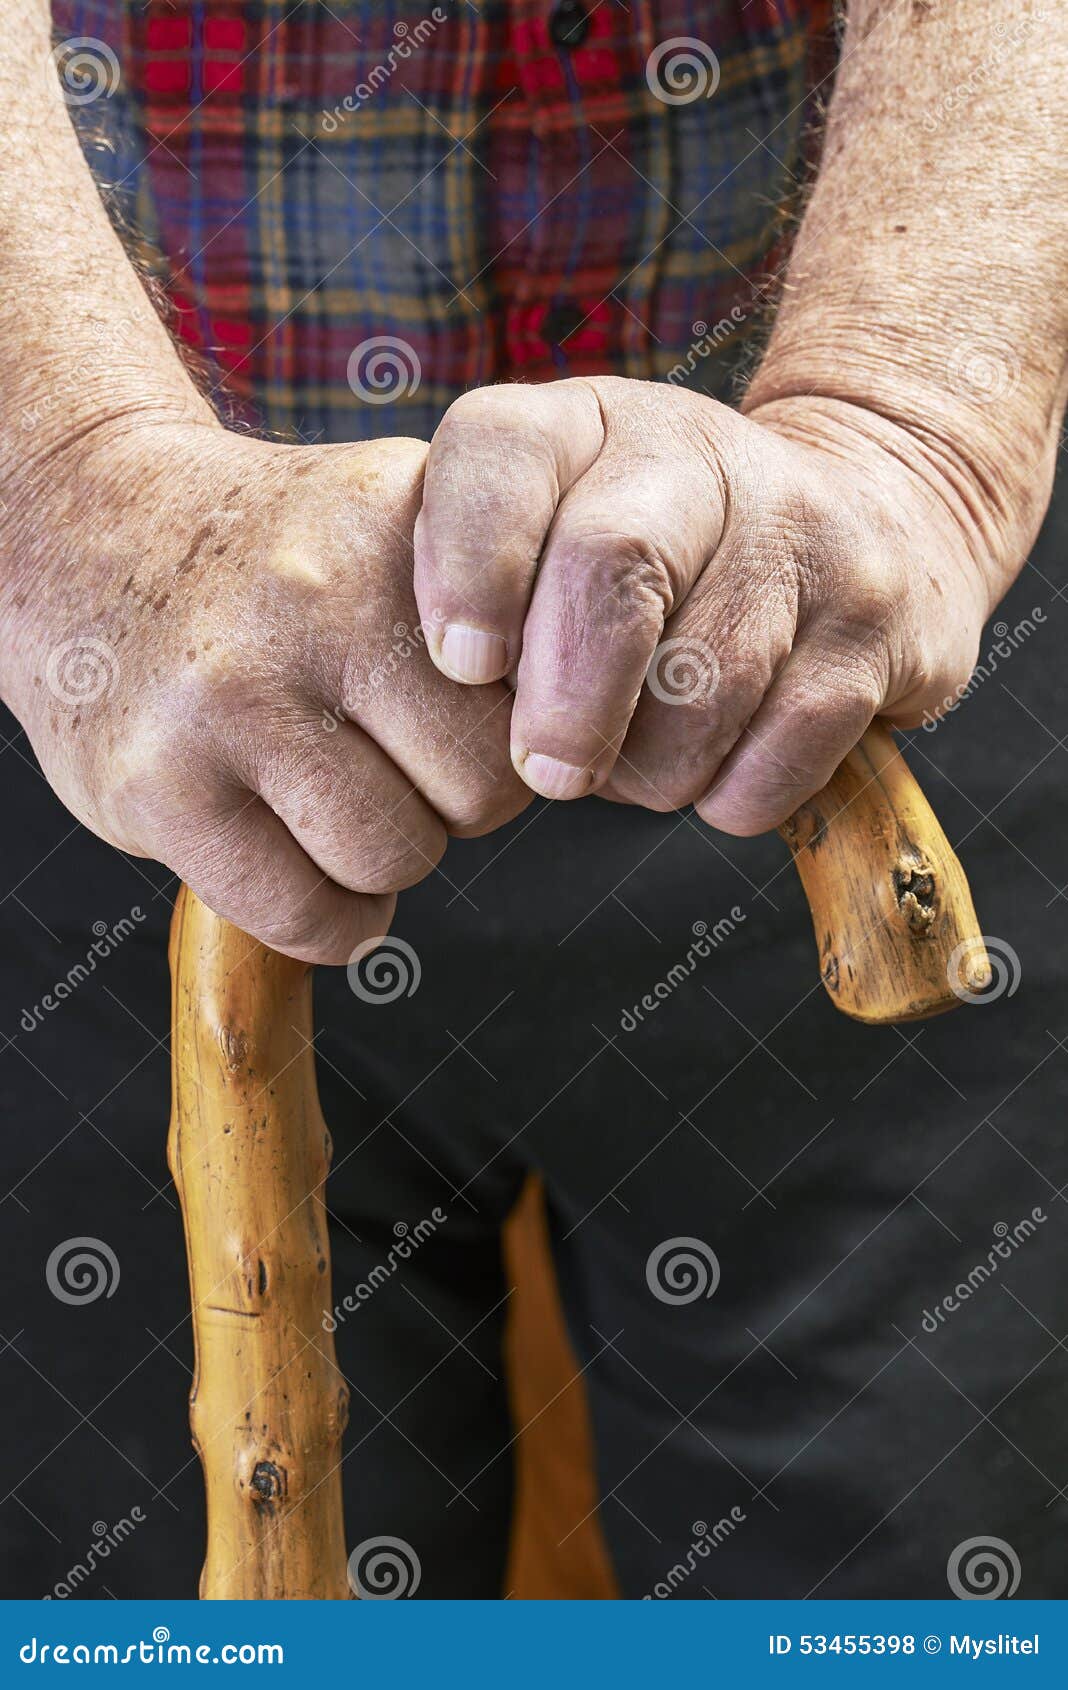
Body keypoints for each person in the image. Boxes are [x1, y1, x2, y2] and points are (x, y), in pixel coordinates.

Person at [1, 0, 1065, 1599]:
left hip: (864, 631)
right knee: (143, 1593)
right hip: (106, 694)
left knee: (907, 1609)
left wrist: (901, 418)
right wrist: (63, 483)